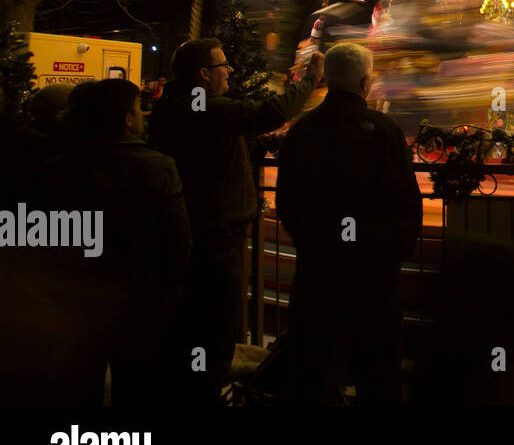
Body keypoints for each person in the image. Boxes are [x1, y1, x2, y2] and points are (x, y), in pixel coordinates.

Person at [149, 37, 323, 403]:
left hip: (209, 231)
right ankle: (205, 389)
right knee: (212, 321)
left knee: (205, 318)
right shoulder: (199, 106)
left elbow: (224, 146)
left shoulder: (188, 108)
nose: (228, 71)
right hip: (214, 235)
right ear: (203, 74)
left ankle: (196, 383)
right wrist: (309, 80)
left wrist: (270, 144)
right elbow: (267, 112)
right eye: (222, 65)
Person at [275, 42, 421, 404]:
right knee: (377, 373)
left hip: (317, 272)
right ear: (365, 82)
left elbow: (287, 201)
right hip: (372, 275)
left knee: (314, 369)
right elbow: (406, 201)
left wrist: (312, 240)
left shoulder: (302, 131)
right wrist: (392, 246)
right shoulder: (384, 132)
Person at [40, 80, 191, 404]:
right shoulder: (156, 166)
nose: (143, 114)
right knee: (137, 382)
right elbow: (177, 240)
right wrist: (170, 291)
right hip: (140, 298)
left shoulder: (58, 169)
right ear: (125, 117)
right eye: (138, 108)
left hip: (77, 298)